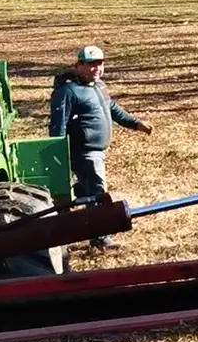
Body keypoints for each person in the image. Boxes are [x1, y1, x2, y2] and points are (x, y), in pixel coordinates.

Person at [48, 45, 153, 250]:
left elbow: (112, 109)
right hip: (84, 152)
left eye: (99, 64)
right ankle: (101, 238)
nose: (96, 68)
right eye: (90, 64)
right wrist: (58, 157)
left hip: (98, 151)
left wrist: (136, 124)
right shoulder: (68, 91)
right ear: (78, 66)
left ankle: (63, 218)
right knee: (98, 193)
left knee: (83, 191)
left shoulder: (99, 86)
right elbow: (58, 127)